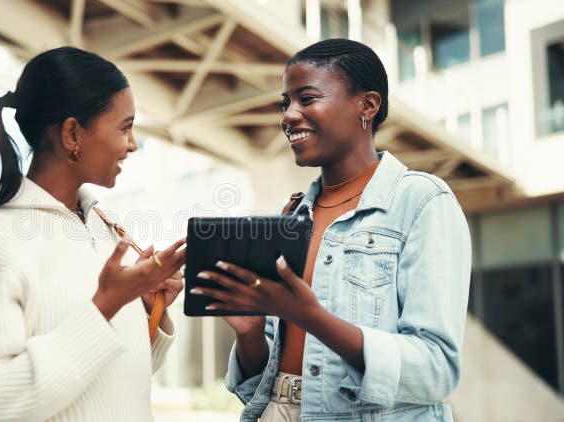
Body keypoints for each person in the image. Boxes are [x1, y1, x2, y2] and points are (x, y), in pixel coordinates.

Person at [191, 39, 471, 421]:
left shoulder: (422, 203)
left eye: (307, 98)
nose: (289, 115)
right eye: (285, 103)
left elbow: (435, 370)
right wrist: (250, 332)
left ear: (367, 106)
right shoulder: (288, 218)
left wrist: (312, 317)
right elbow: (257, 382)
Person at [0, 46, 186, 421]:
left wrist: (146, 308)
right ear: (72, 133)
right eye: (125, 127)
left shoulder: (104, 227)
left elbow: (108, 385)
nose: (132, 144)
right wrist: (106, 305)